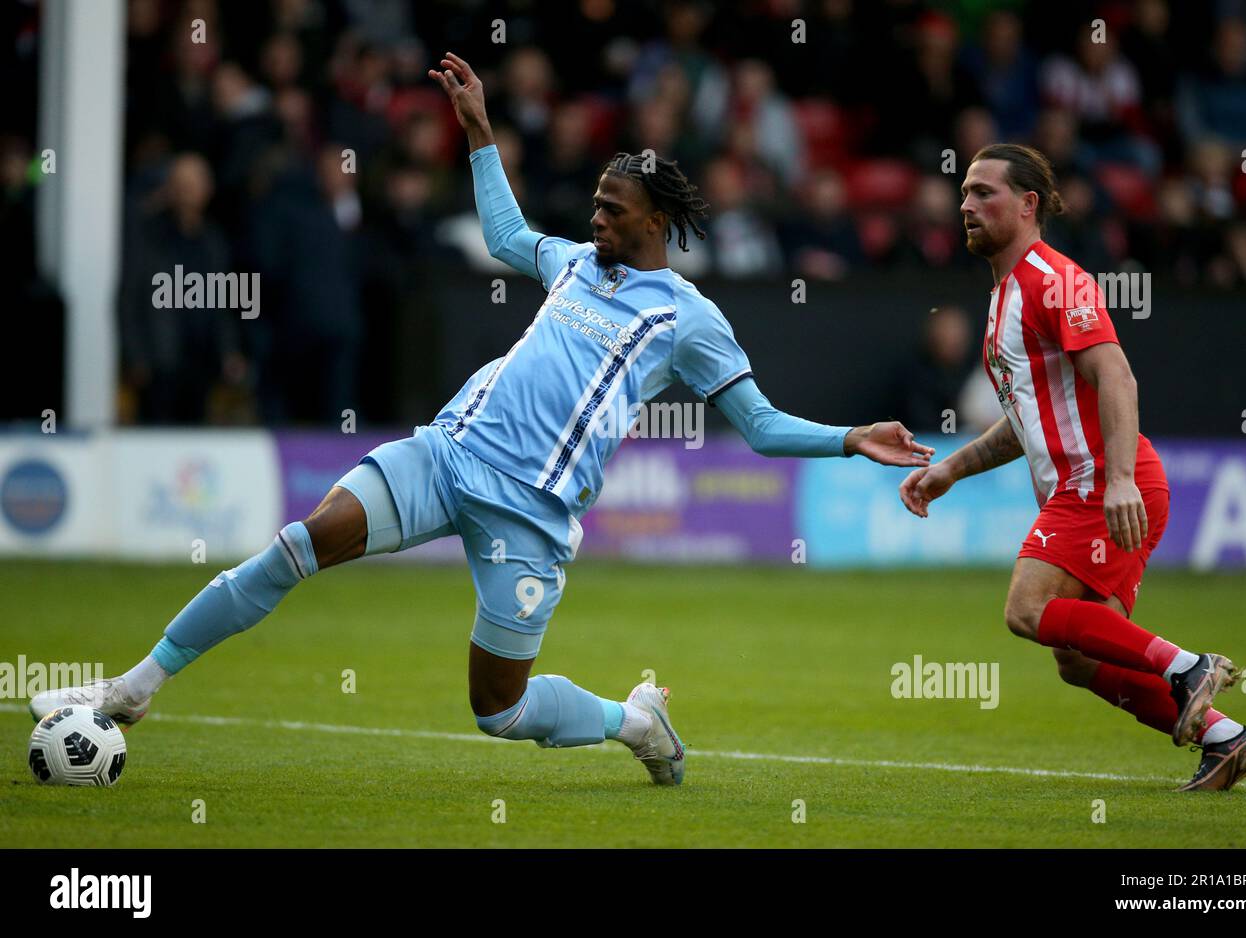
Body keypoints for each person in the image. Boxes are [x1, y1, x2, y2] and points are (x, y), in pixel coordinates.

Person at [31, 53, 933, 787]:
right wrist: (481, 135)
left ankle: (634, 721)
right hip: (448, 455)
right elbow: (507, 237)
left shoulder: (687, 318)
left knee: (496, 711)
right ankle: (134, 688)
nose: (597, 221)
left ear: (656, 220)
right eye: (596, 208)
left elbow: (764, 423)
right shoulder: (577, 263)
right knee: (298, 544)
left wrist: (848, 438)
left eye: (614, 213)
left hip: (530, 516)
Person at [898, 144, 1246, 792]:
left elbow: (1116, 375)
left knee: (1026, 609)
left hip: (1100, 481)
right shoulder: (1004, 298)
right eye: (964, 192)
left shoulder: (1054, 279)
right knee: (1075, 659)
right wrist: (952, 467)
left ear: (1028, 204)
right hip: (1094, 485)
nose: (966, 204)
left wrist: (1118, 478)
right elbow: (1029, 419)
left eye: (985, 192)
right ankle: (1224, 738)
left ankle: (1187, 668)